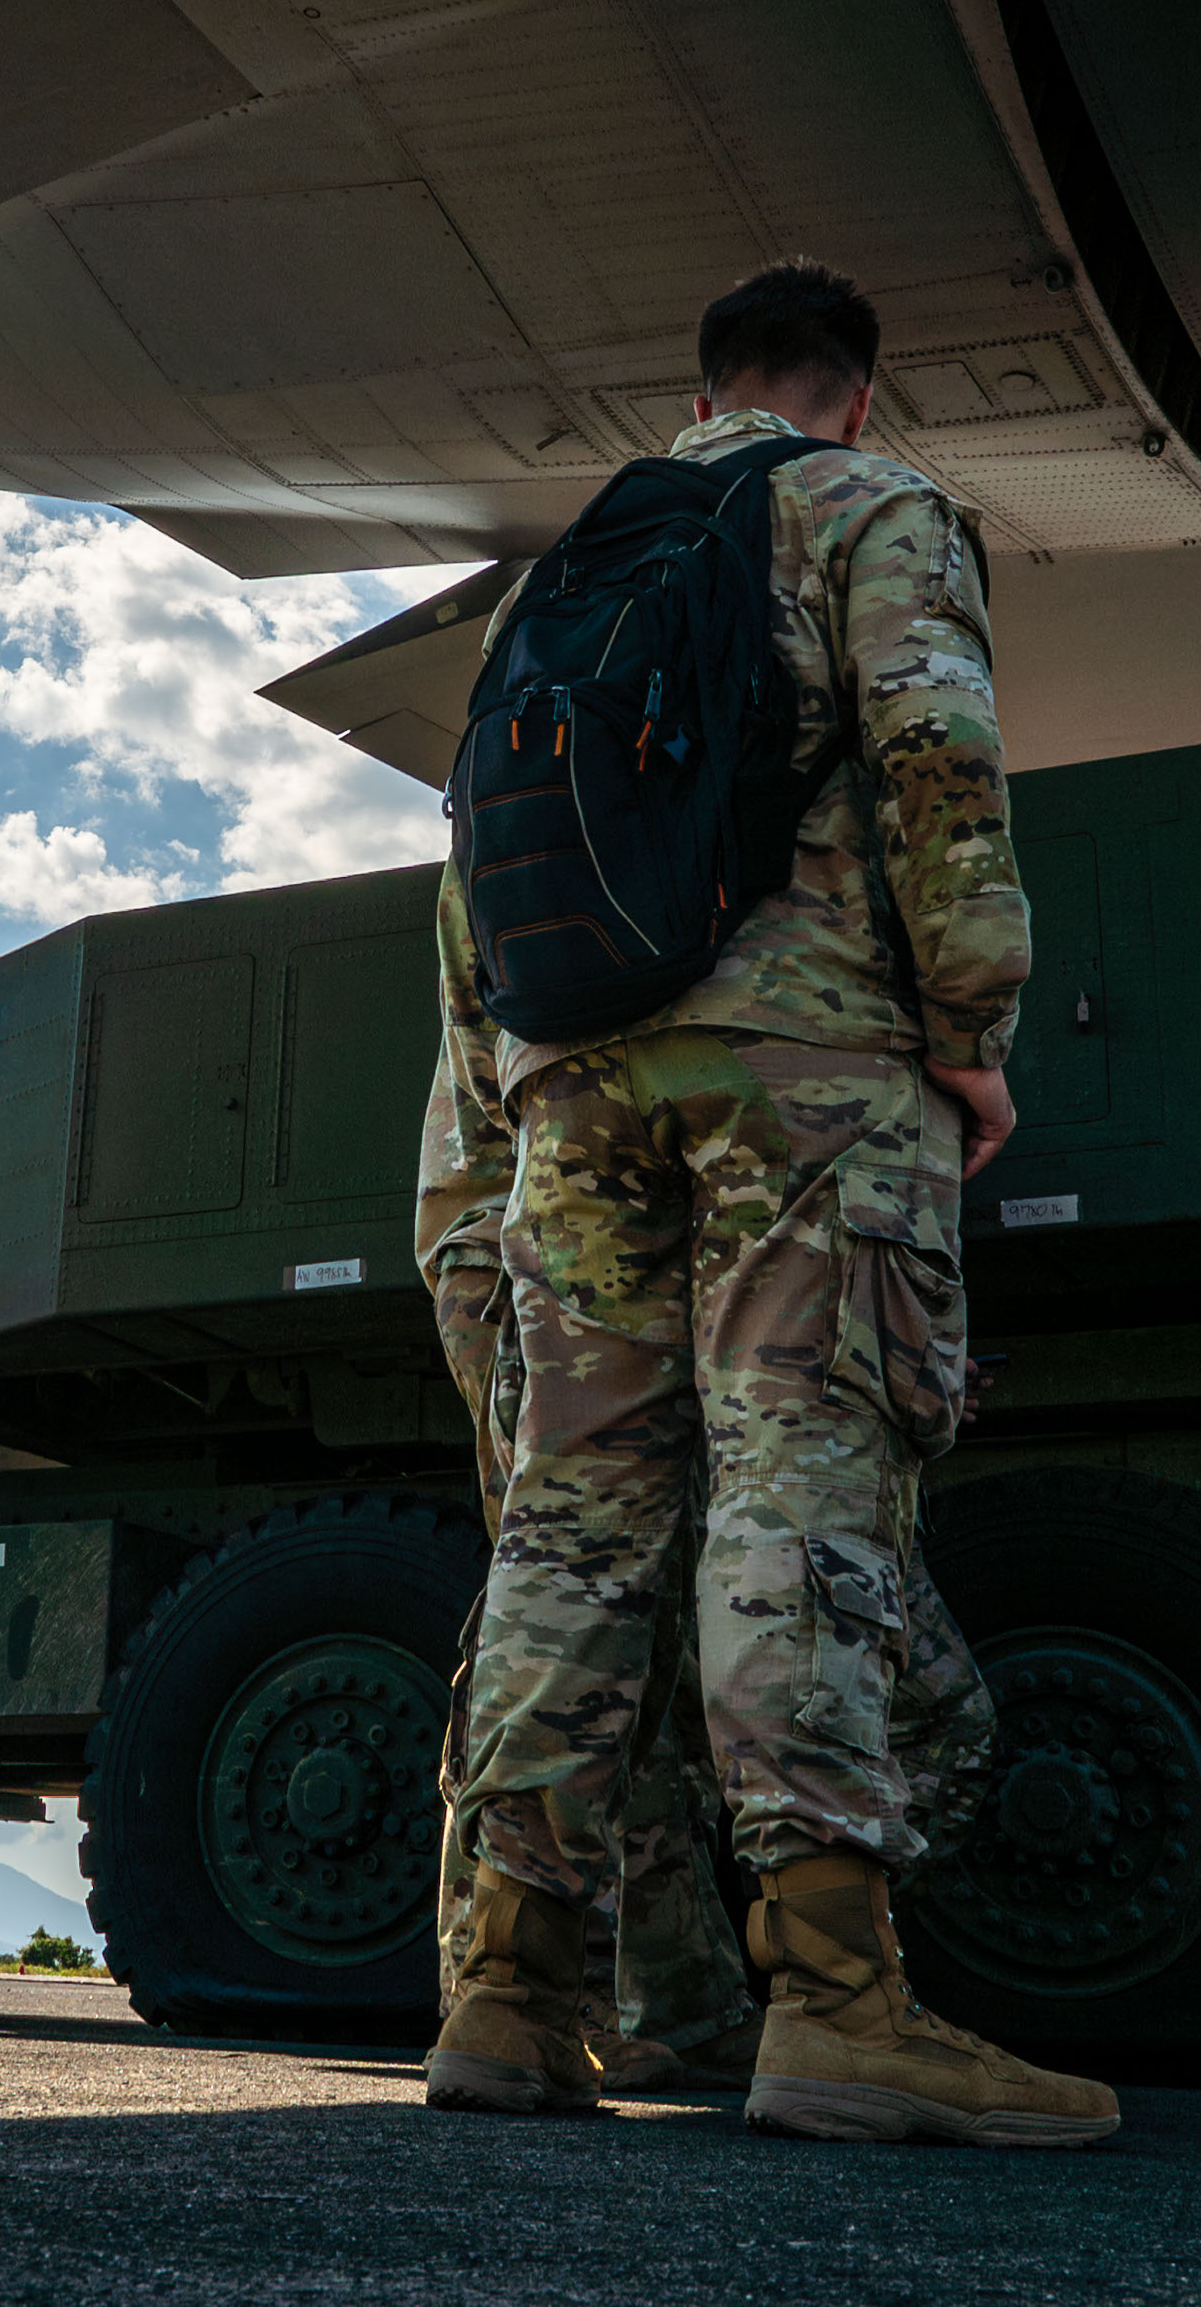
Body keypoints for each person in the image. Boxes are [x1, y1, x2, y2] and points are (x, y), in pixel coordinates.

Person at [426, 257, 1100, 2149]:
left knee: (567, 1524)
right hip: (802, 1069)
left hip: (572, 1076)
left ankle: (510, 1992)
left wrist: (523, 1075)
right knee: (802, 1485)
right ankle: (837, 1998)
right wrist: (969, 1021)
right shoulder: (874, 507)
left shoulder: (572, 559)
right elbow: (938, 763)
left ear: (700, 383)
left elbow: (473, 849)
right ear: (855, 394)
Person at [417, 864, 759, 2091]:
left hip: (523, 1233)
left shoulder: (514, 805)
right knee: (572, 1622)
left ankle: (644, 1995)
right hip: (545, 1237)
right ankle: (509, 1994)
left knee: (608, 1628)